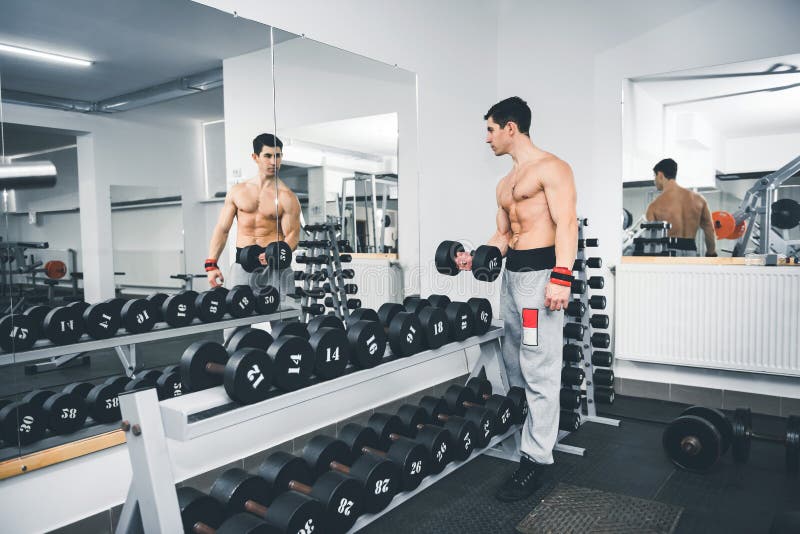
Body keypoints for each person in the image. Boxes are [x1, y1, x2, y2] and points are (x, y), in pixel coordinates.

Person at [457, 96, 578, 501]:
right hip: (511, 279)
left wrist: (562, 276)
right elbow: (506, 237)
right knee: (516, 364)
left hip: (541, 278)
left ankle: (536, 460)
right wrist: (473, 257)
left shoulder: (552, 168)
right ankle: (529, 435)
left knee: (540, 367)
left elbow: (566, 224)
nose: (486, 138)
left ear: (511, 127)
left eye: (490, 129)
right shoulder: (505, 184)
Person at [205, 133, 301, 302]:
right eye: (268, 156)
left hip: (276, 267)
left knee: (285, 324)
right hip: (243, 264)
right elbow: (222, 229)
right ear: (255, 157)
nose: (273, 161)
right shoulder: (238, 191)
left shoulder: (287, 197)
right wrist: (211, 264)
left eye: (277, 156)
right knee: (234, 323)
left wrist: (277, 253)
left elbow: (293, 236)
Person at [645, 158, 717, 257]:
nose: (654, 181)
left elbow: (651, 240)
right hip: (691, 251)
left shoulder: (654, 206)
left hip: (669, 253)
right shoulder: (699, 199)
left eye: (655, 176)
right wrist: (711, 253)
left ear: (660, 175)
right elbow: (709, 229)